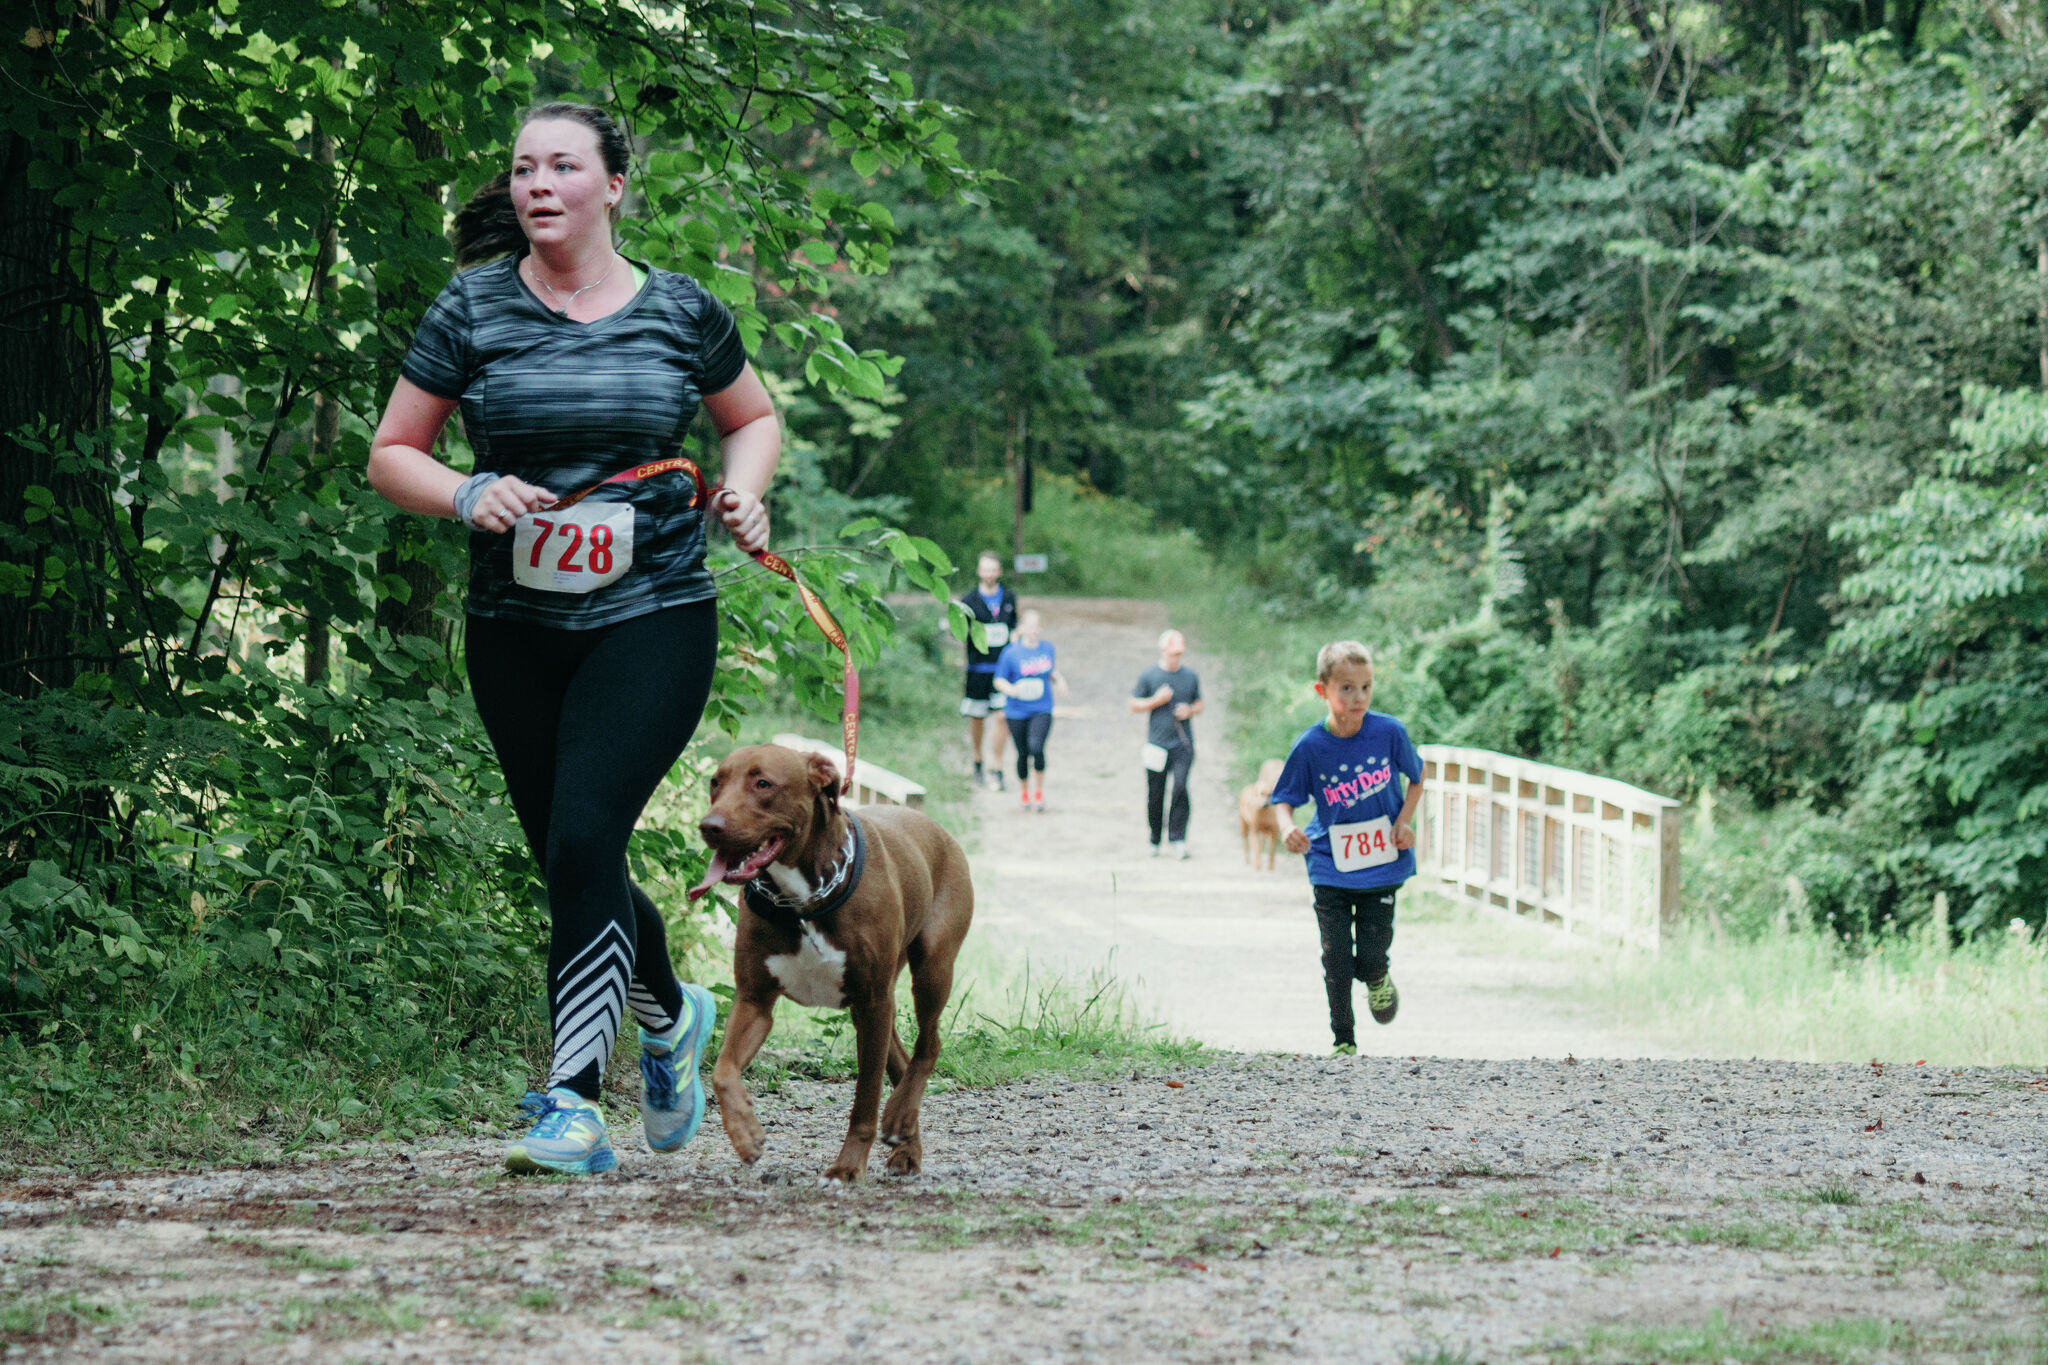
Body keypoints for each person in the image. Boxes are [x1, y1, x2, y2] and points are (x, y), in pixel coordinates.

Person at [367, 102, 778, 1175]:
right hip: (515, 628)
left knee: (586, 835)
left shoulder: (681, 311)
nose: (537, 183)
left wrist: (742, 496)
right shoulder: (471, 308)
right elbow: (393, 453)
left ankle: (572, 1101)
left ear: (612, 186)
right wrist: (465, 494)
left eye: (562, 165)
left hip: (653, 616)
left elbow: (753, 418)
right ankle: (672, 1013)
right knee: (569, 855)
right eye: (521, 168)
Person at [1267, 641, 1424, 1055]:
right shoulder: (1311, 746)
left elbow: (1417, 777)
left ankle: (1377, 978)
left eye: (1367, 687)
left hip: (1381, 864)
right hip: (1329, 863)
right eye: (1347, 689)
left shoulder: (1389, 732)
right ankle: (1344, 1041)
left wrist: (1404, 821)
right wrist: (1287, 827)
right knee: (1336, 958)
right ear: (1323, 691)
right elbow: (1284, 798)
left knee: (1370, 956)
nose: (1359, 698)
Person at [1129, 629, 1202, 858]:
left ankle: (1178, 838)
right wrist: (1156, 700)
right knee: (1155, 793)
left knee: (1181, 788)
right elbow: (1133, 704)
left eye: (1179, 654)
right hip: (1157, 744)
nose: (1175, 658)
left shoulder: (1190, 676)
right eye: (1172, 654)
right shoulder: (1149, 675)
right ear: (1163, 651)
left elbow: (1199, 703)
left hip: (1183, 744)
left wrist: (1189, 710)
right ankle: (1154, 838)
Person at [992, 609, 1067, 811]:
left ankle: (1039, 792)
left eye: (1036, 627)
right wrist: (1012, 689)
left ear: (1040, 628)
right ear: (1022, 628)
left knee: (1037, 747)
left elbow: (1050, 670)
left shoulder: (1047, 649)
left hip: (1042, 708)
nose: (1033, 630)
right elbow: (999, 679)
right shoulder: (1011, 653)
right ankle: (1024, 792)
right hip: (1016, 710)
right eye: (1029, 626)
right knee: (1023, 752)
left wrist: (1059, 680)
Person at [957, 552, 1019, 789]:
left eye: (994, 570)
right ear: (979, 572)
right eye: (986, 570)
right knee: (977, 717)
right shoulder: (969, 600)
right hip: (977, 669)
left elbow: (1012, 627)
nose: (990, 574)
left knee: (1002, 717)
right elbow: (960, 632)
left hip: (1002, 670)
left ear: (999, 572)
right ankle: (977, 760)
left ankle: (997, 766)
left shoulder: (1009, 597)